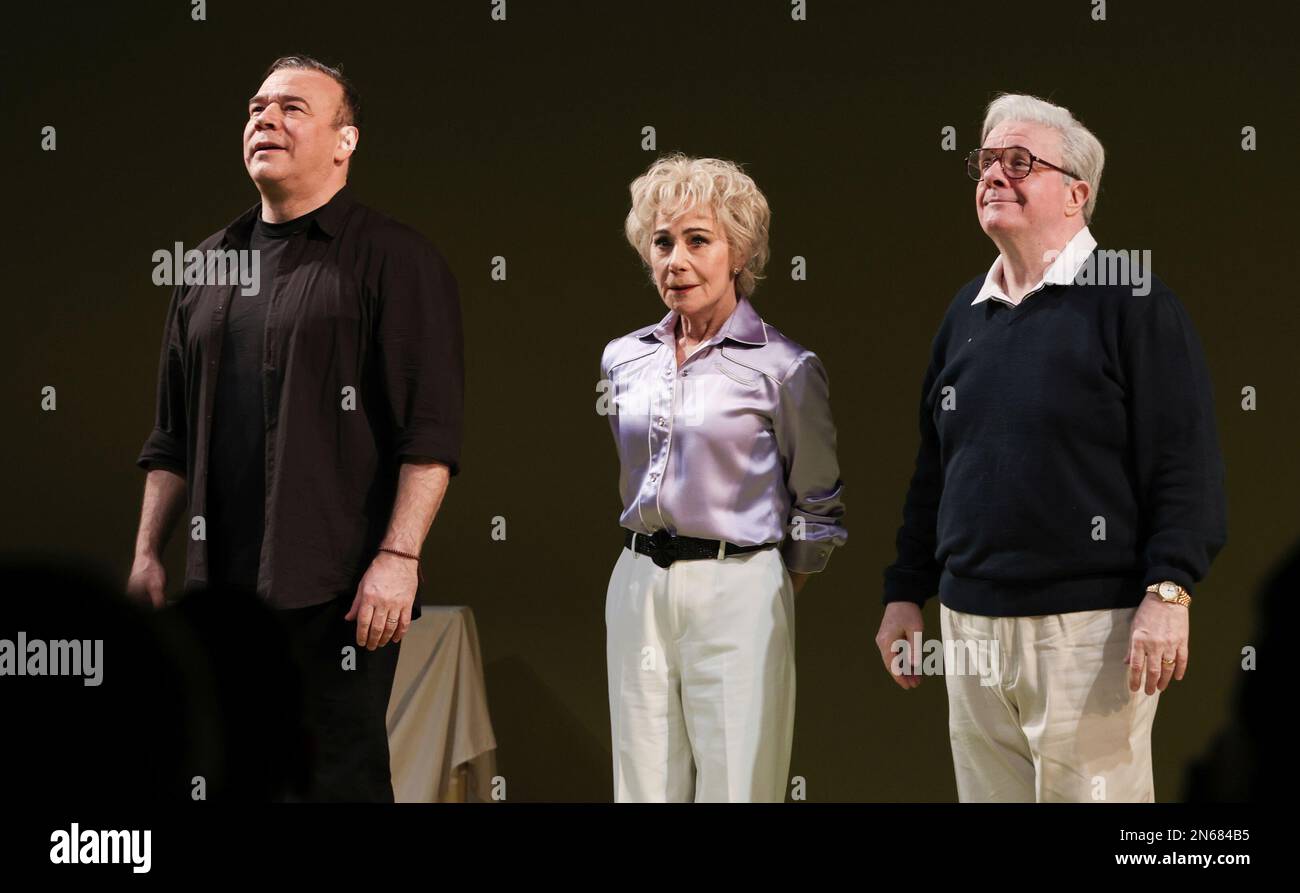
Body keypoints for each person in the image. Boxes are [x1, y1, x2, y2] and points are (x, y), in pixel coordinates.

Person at [127, 55, 464, 801]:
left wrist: (399, 555)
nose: (264, 119)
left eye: (291, 108)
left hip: (337, 588)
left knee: (335, 778)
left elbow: (431, 432)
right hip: (220, 593)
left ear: (346, 141)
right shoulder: (207, 266)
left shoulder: (395, 260)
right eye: (255, 108)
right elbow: (171, 435)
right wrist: (149, 550)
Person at [876, 93, 1227, 802]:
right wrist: (904, 592)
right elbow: (935, 469)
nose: (993, 176)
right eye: (985, 162)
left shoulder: (1132, 298)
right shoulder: (964, 312)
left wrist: (1169, 590)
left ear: (1077, 194)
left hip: (1087, 636)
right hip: (969, 628)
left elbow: (1185, 462)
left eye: (1018, 162)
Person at [601, 154, 847, 802]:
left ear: (737, 250)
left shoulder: (784, 366)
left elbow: (818, 502)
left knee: (738, 786)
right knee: (643, 787)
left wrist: (759, 577)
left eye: (696, 240)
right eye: (662, 242)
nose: (674, 260)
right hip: (637, 583)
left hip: (739, 583)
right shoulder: (624, 358)